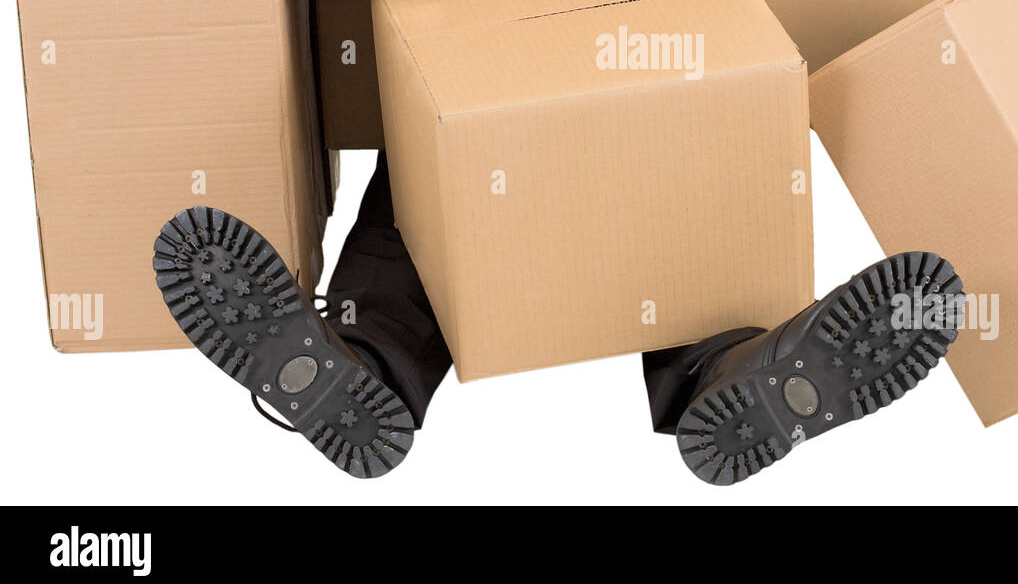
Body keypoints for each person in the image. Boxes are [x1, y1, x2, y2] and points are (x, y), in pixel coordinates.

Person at [152, 154, 963, 483]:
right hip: (643, 67)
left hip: (467, 86)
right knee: (676, 183)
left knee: (418, 194)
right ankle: (724, 367)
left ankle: (369, 363)